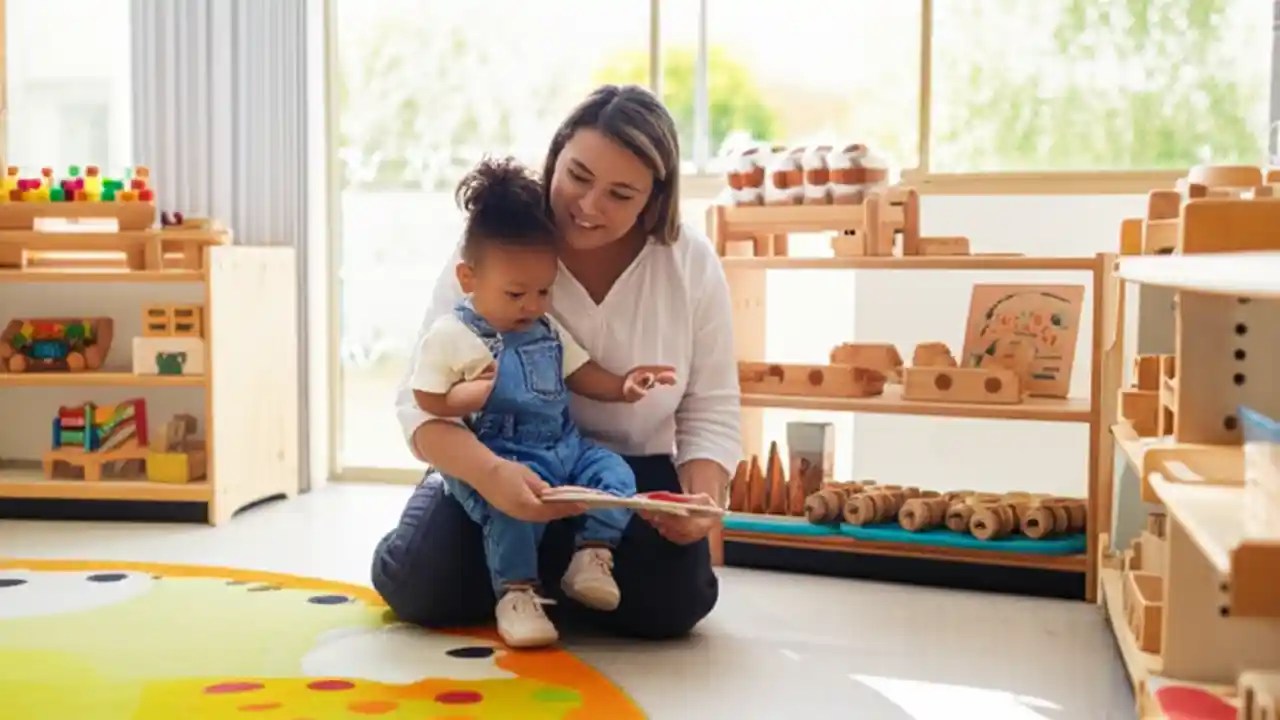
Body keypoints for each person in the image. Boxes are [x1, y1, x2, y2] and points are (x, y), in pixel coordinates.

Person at [371, 83, 741, 641]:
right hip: (496, 459)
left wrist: (702, 503)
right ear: (556, 155)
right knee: (422, 589)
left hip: (625, 474)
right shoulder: (496, 246)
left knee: (674, 605)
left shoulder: (688, 263)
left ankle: (545, 571)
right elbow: (417, 403)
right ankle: (535, 572)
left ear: (654, 197)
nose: (589, 207)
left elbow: (709, 407)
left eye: (620, 193)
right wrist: (489, 474)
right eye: (579, 176)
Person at [408, 154, 678, 647]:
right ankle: (517, 593)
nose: (531, 306)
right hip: (500, 454)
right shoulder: (453, 334)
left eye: (543, 291)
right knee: (507, 517)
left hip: (564, 444)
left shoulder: (545, 329)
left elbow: (580, 372)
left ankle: (592, 555)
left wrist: (623, 385)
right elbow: (423, 397)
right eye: (515, 294)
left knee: (616, 476)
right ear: (469, 279)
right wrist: (463, 398)